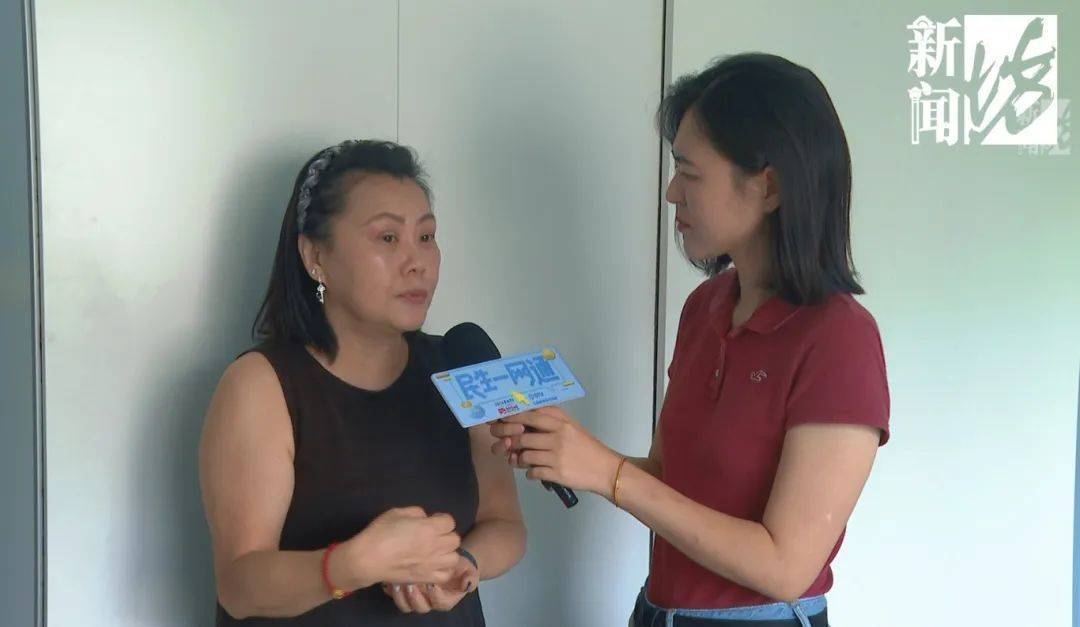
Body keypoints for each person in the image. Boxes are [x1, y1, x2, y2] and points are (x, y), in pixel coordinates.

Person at [491, 53, 889, 627]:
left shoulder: (839, 339)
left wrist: (605, 472)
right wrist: (570, 453)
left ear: (770, 186)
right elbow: (665, 481)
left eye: (689, 172)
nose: (672, 193)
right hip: (658, 612)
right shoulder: (706, 308)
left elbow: (784, 566)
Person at [200, 140, 526, 626]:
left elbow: (506, 524)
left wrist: (465, 564)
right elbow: (239, 587)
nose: (418, 262)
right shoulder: (261, 385)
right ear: (316, 256)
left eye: (427, 236)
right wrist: (352, 565)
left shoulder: (459, 364)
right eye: (388, 238)